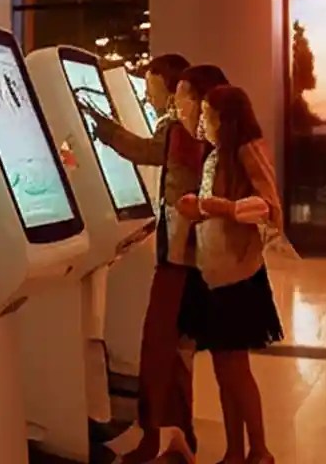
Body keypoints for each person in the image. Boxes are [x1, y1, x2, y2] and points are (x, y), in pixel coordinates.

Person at [85, 59, 231, 464]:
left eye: (164, 90)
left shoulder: (183, 133)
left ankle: (155, 437)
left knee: (158, 347)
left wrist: (108, 130)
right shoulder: (207, 137)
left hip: (181, 256)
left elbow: (148, 151)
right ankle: (180, 435)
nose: (151, 96)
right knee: (180, 352)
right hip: (195, 256)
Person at [175, 85, 284, 464]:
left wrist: (208, 206)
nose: (203, 120)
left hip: (238, 276)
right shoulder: (217, 154)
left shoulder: (247, 151)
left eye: (206, 113)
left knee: (236, 369)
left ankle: (259, 450)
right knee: (224, 368)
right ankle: (235, 450)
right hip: (216, 273)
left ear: (225, 117)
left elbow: (268, 208)